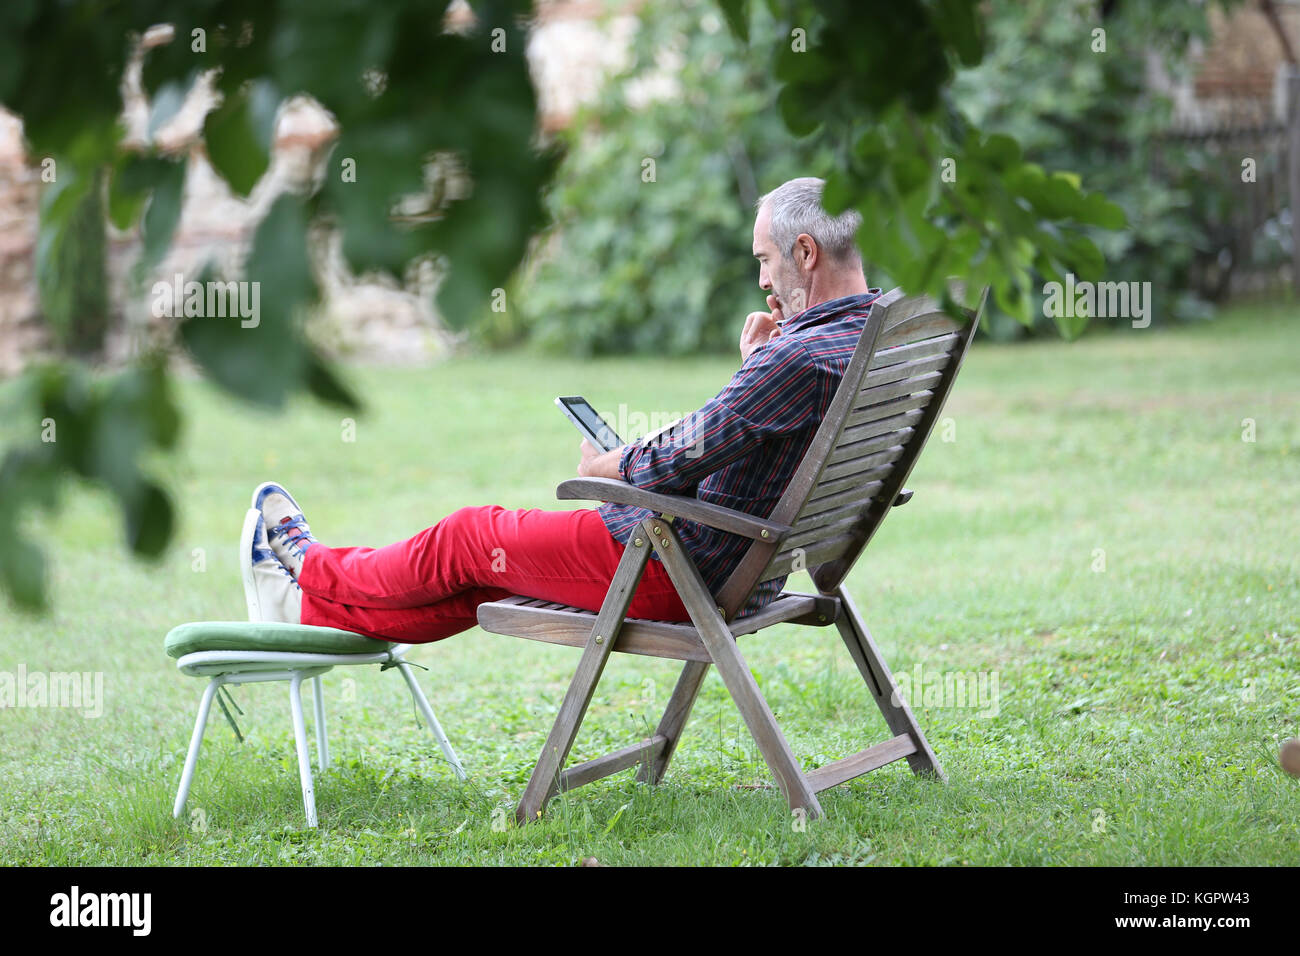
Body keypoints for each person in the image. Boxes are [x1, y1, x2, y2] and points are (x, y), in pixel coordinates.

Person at [242, 177, 882, 644]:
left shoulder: (797, 360)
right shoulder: (874, 336)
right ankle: (304, 611)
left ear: (805, 254)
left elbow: (675, 462)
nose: (763, 281)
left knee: (471, 538)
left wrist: (610, 469)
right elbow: (743, 440)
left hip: (679, 566)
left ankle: (310, 565)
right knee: (486, 577)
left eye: (766, 261)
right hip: (752, 564)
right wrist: (750, 370)